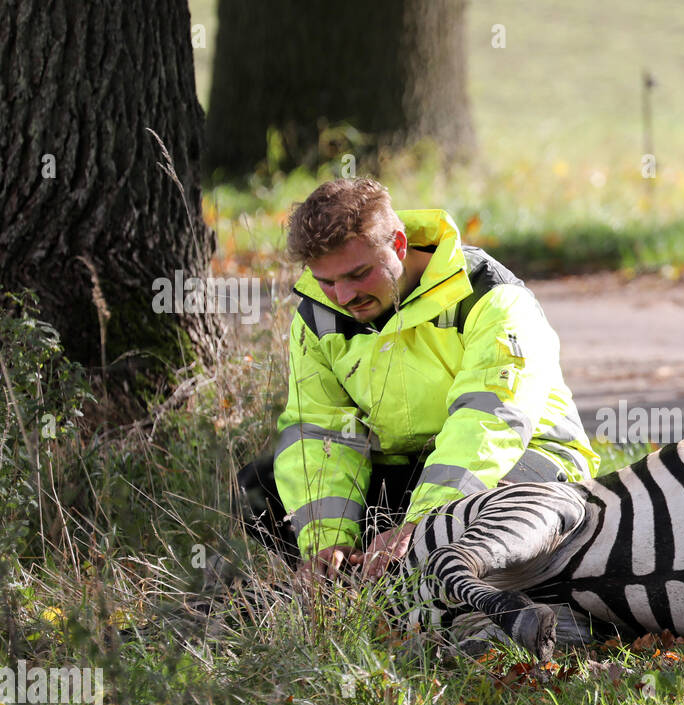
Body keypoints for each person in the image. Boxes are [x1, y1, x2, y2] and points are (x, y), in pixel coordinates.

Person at [235, 178, 599, 585]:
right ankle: (355, 578)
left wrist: (428, 520)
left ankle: (430, 565)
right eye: (326, 281)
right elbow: (321, 432)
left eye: (358, 274)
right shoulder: (316, 318)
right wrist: (329, 539)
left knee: (484, 520)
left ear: (400, 246)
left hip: (518, 454)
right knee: (257, 489)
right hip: (411, 467)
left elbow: (489, 420)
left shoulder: (490, 296)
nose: (343, 296)